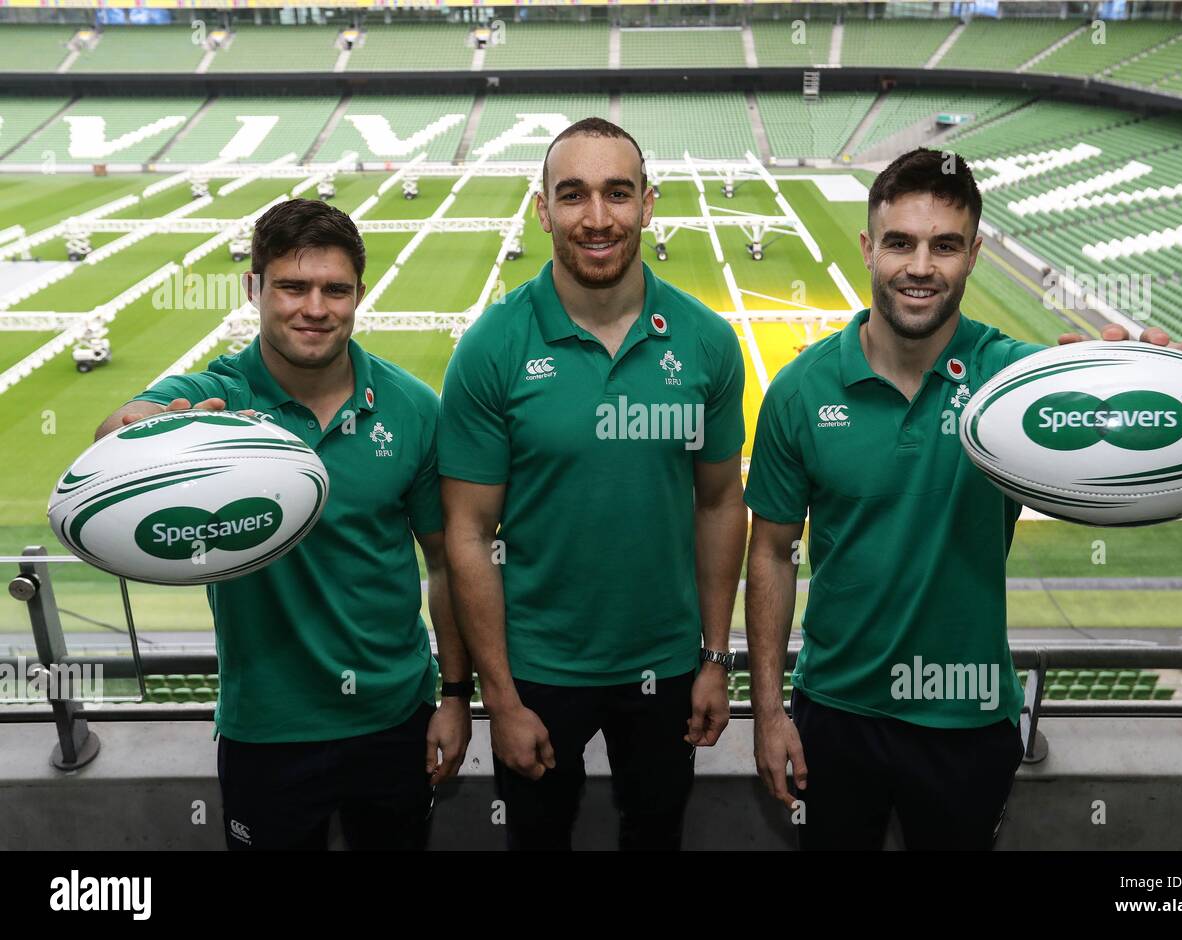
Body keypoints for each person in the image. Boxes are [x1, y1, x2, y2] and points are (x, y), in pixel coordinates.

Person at [744, 147, 1182, 851]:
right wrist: (769, 711)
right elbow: (772, 552)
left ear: (973, 256)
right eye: (900, 242)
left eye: (946, 245)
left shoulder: (1019, 384)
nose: (920, 266)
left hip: (966, 720)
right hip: (834, 716)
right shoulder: (800, 390)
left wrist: (1165, 385)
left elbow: (1126, 415)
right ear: (869, 247)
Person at [94, 198, 471, 851]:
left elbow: (444, 563)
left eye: (336, 289)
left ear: (360, 292)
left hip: (393, 717)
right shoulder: (221, 399)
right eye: (292, 287)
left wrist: (457, 696)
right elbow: (125, 424)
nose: (315, 308)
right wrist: (145, 433)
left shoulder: (413, 408)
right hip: (266, 727)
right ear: (253, 289)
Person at [438, 118, 747, 851]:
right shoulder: (492, 347)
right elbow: (467, 534)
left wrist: (714, 657)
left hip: (668, 664)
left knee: (656, 835)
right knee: (538, 842)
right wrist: (500, 698)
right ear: (542, 210)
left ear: (648, 203)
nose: (598, 218)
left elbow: (718, 502)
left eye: (618, 193)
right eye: (573, 195)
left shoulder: (706, 342)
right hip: (539, 671)